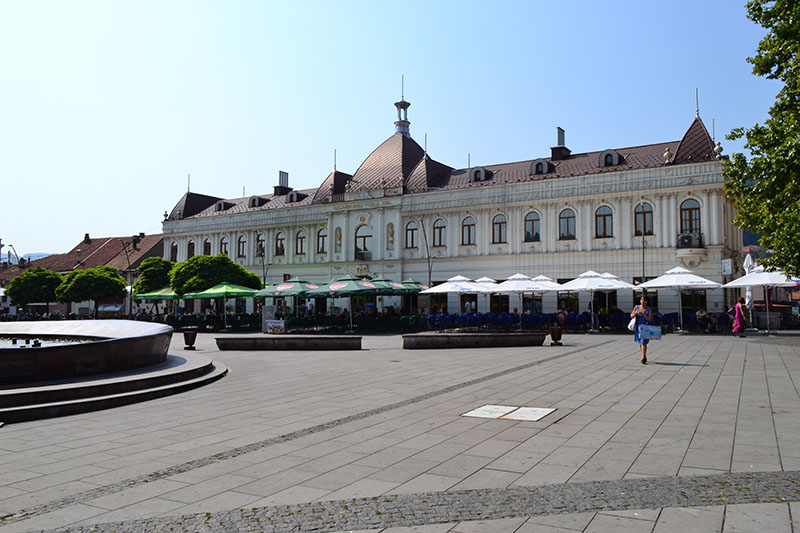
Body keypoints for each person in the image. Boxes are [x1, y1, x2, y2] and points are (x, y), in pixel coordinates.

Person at [631, 296, 653, 364]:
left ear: (647, 301)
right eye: (641, 299)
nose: (642, 301)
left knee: (643, 342)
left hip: (645, 328)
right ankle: (644, 355)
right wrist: (635, 314)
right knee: (641, 342)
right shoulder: (637, 307)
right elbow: (631, 315)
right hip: (638, 327)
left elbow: (650, 319)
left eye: (644, 300)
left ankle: (643, 357)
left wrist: (643, 314)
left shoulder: (649, 309)